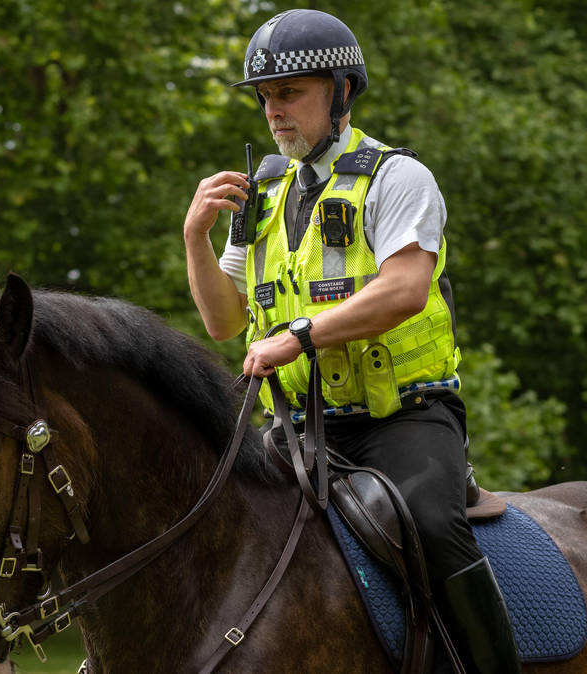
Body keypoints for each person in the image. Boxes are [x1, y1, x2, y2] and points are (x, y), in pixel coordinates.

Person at [182, 9, 520, 674]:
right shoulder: (264, 194)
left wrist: (298, 338)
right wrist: (194, 238)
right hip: (297, 427)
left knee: (430, 525)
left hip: (404, 419)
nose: (273, 112)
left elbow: (404, 290)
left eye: (289, 94)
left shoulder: (397, 178)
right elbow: (223, 322)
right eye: (265, 98)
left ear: (340, 91)